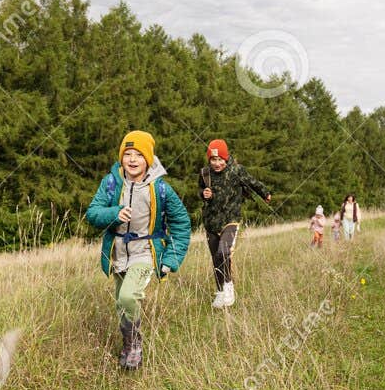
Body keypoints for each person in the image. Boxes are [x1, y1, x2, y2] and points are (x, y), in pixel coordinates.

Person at [84, 130, 191, 369]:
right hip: (118, 252)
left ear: (149, 159)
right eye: (127, 154)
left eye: (138, 155)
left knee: (128, 296)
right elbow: (92, 213)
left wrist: (172, 258)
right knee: (122, 303)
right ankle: (127, 342)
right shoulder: (111, 182)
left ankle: (135, 345)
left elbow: (181, 223)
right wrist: (114, 213)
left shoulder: (161, 189)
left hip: (145, 252)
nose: (132, 159)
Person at [198, 139, 272, 310]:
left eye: (220, 159)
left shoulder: (236, 170)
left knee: (223, 252)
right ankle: (220, 291)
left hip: (230, 219)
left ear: (226, 157)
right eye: (213, 160)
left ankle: (228, 286)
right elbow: (200, 190)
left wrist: (265, 193)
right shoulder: (205, 173)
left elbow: (252, 182)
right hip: (211, 221)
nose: (217, 163)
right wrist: (204, 193)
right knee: (216, 257)